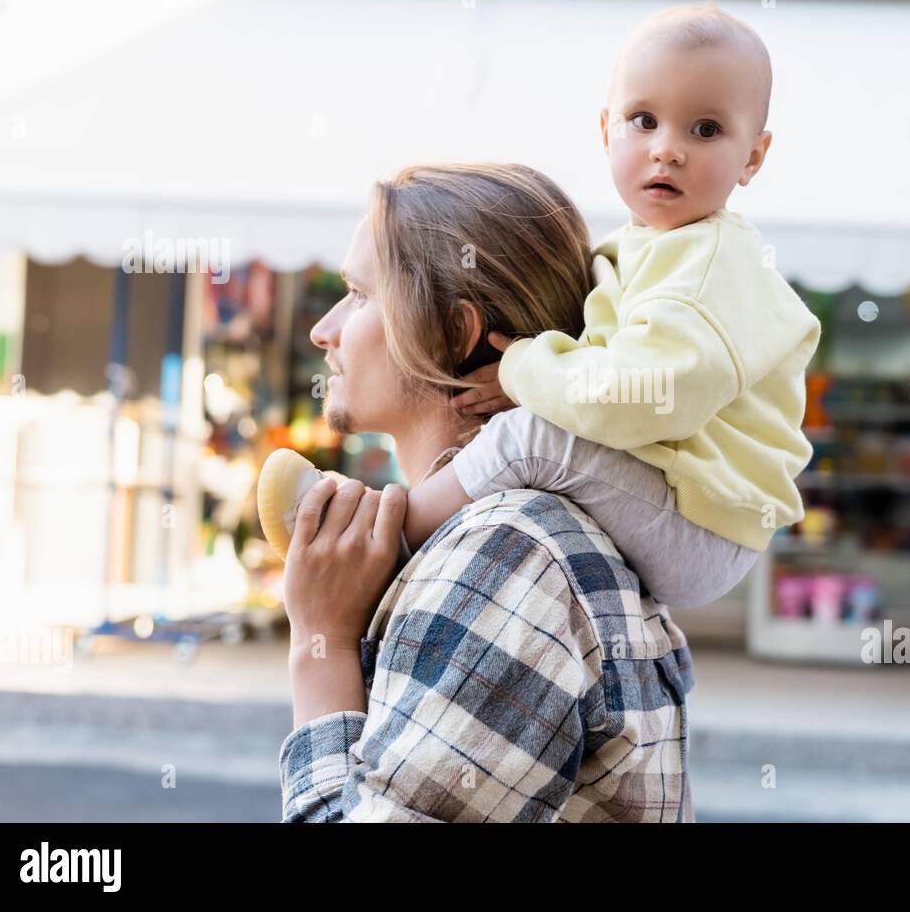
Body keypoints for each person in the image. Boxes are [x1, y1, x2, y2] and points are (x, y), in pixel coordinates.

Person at [278, 163, 695, 822]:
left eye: (359, 295)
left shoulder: (507, 553)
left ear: (454, 332)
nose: (323, 330)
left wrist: (318, 642)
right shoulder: (516, 534)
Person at [397, 1, 822, 608]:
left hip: (703, 524)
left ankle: (383, 539)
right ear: (606, 131)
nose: (667, 150)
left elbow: (637, 400)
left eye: (705, 130)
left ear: (753, 156)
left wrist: (522, 368)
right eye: (643, 120)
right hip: (683, 502)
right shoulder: (638, 249)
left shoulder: (705, 265)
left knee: (531, 439)